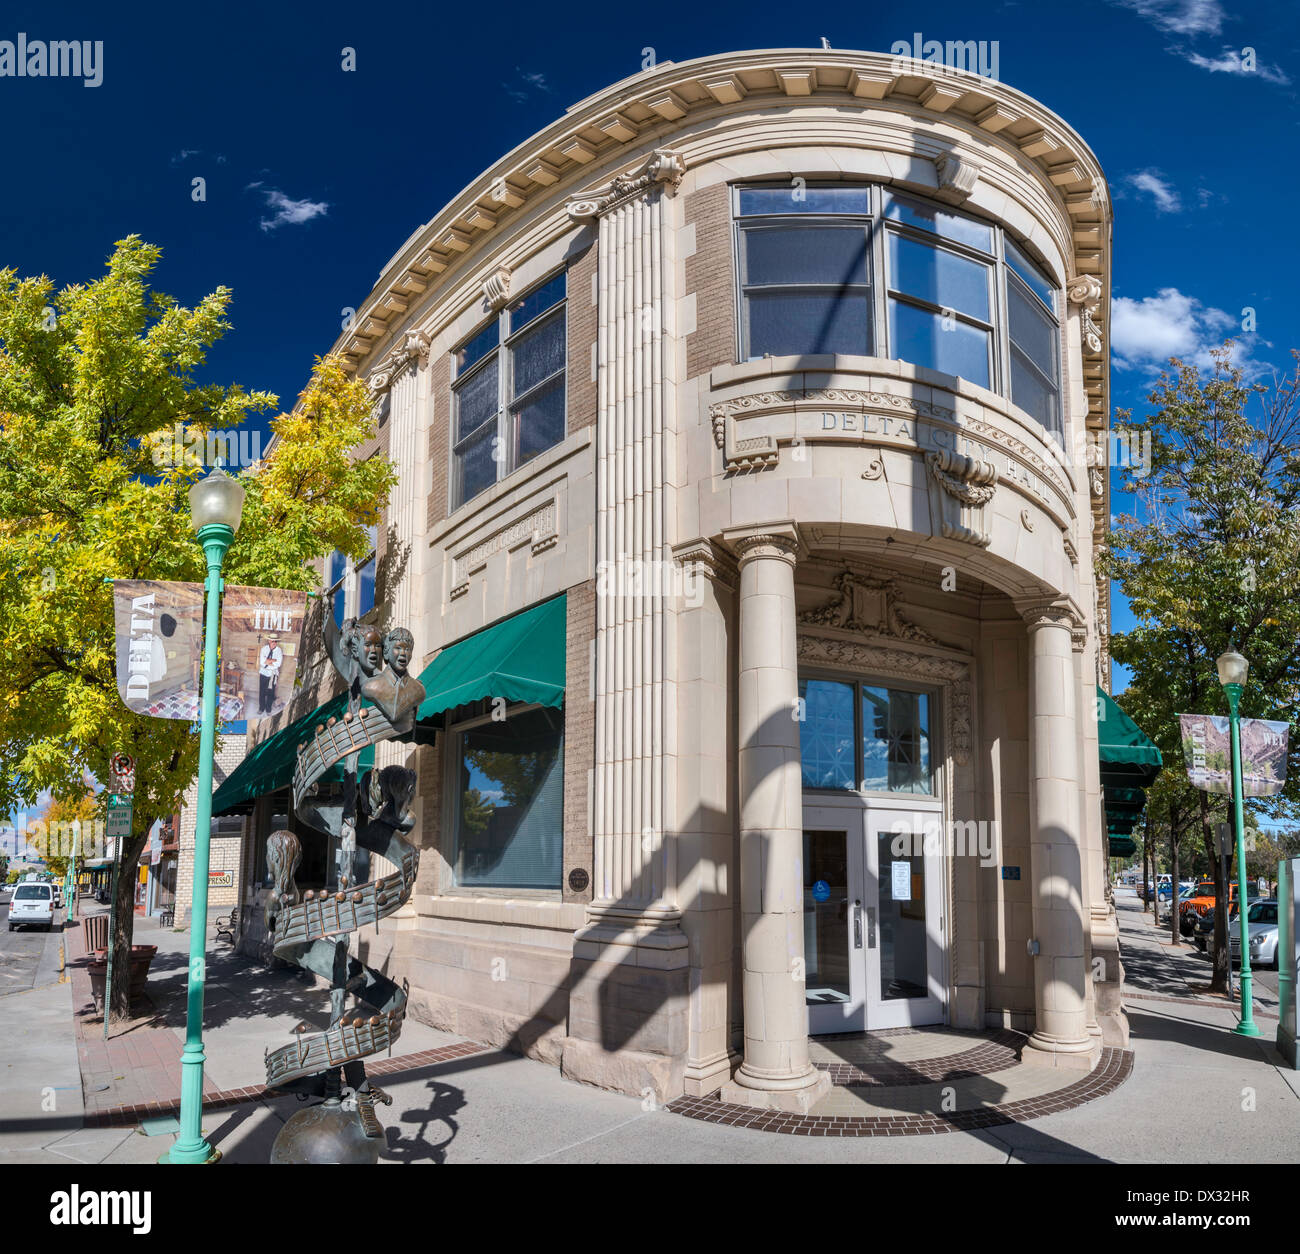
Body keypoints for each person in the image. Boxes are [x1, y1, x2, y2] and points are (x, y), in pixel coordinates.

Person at [258, 635, 284, 714]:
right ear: (269, 641)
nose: (274, 643)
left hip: (273, 674)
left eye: (276, 641)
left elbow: (278, 664)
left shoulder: (279, 651)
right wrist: (273, 660)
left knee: (271, 692)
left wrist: (268, 661)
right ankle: (261, 708)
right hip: (263, 672)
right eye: (273, 641)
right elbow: (262, 662)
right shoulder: (264, 649)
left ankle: (268, 709)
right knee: (262, 691)